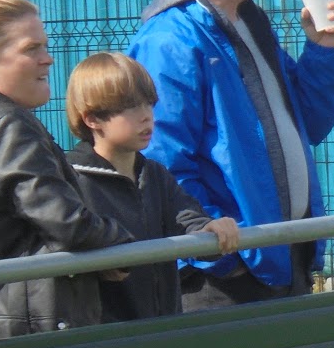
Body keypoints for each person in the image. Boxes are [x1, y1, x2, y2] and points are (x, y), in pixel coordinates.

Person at [128, 0, 334, 309]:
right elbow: (159, 166)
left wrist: (323, 48)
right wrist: (224, 256)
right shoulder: (170, 42)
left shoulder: (249, 23)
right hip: (226, 280)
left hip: (278, 259)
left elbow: (310, 123)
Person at [0, 0, 132, 337]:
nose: (48, 59)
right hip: (23, 334)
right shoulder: (6, 125)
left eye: (45, 46)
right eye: (32, 49)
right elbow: (66, 223)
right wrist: (122, 242)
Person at [64, 52, 241, 321]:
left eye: (148, 104)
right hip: (104, 338)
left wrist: (211, 230)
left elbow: (187, 219)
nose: (146, 117)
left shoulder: (154, 174)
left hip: (162, 328)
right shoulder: (72, 178)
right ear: (92, 119)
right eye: (130, 107)